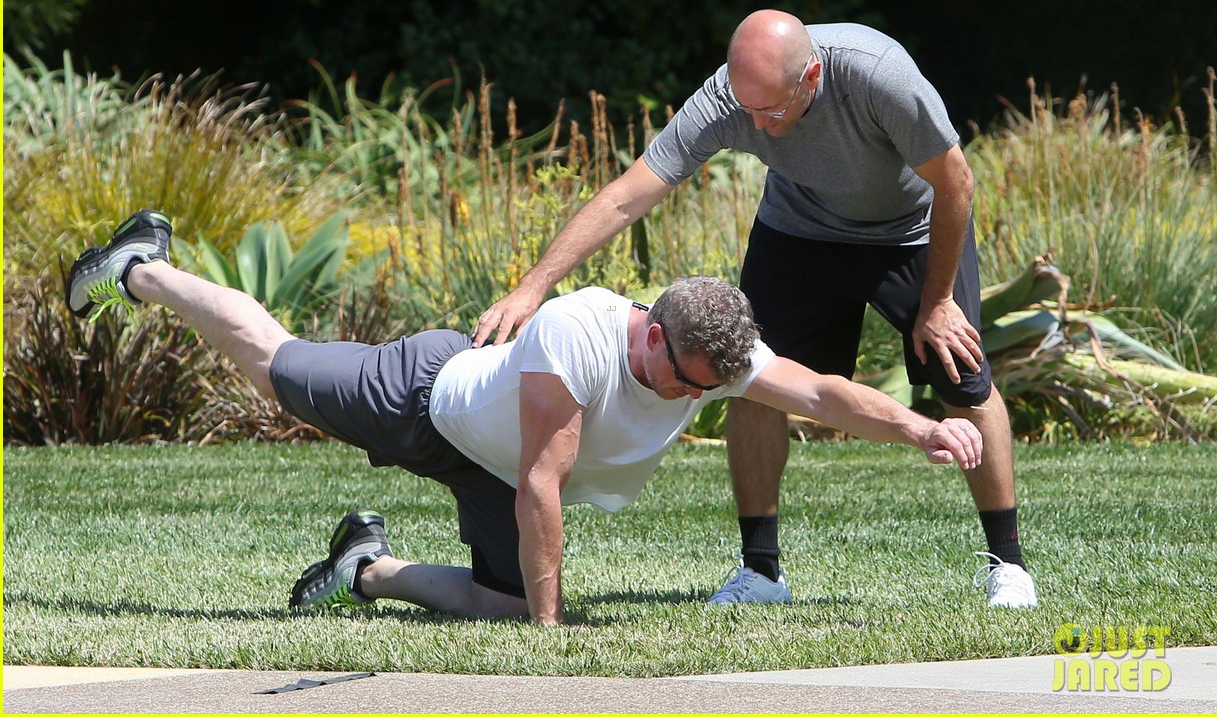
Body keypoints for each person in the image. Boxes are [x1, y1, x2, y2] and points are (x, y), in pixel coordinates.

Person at [67, 209, 985, 625]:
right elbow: (545, 479)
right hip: (425, 396)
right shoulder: (577, 334)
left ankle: (364, 565)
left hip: (494, 467)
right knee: (274, 362)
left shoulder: (716, 357)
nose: (696, 398)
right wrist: (554, 640)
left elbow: (823, 392)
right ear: (653, 338)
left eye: (713, 385)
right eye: (688, 383)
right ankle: (142, 265)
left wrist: (923, 429)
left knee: (498, 602)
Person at [473, 10, 1038, 608]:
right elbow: (625, 198)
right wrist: (534, 284)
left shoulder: (878, 77)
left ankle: (1008, 565)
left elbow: (956, 182)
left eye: (771, 111)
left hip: (911, 231)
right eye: (746, 110)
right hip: (799, 231)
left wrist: (939, 300)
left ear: (812, 76)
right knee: (748, 381)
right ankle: (761, 572)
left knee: (962, 378)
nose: (758, 128)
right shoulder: (730, 98)